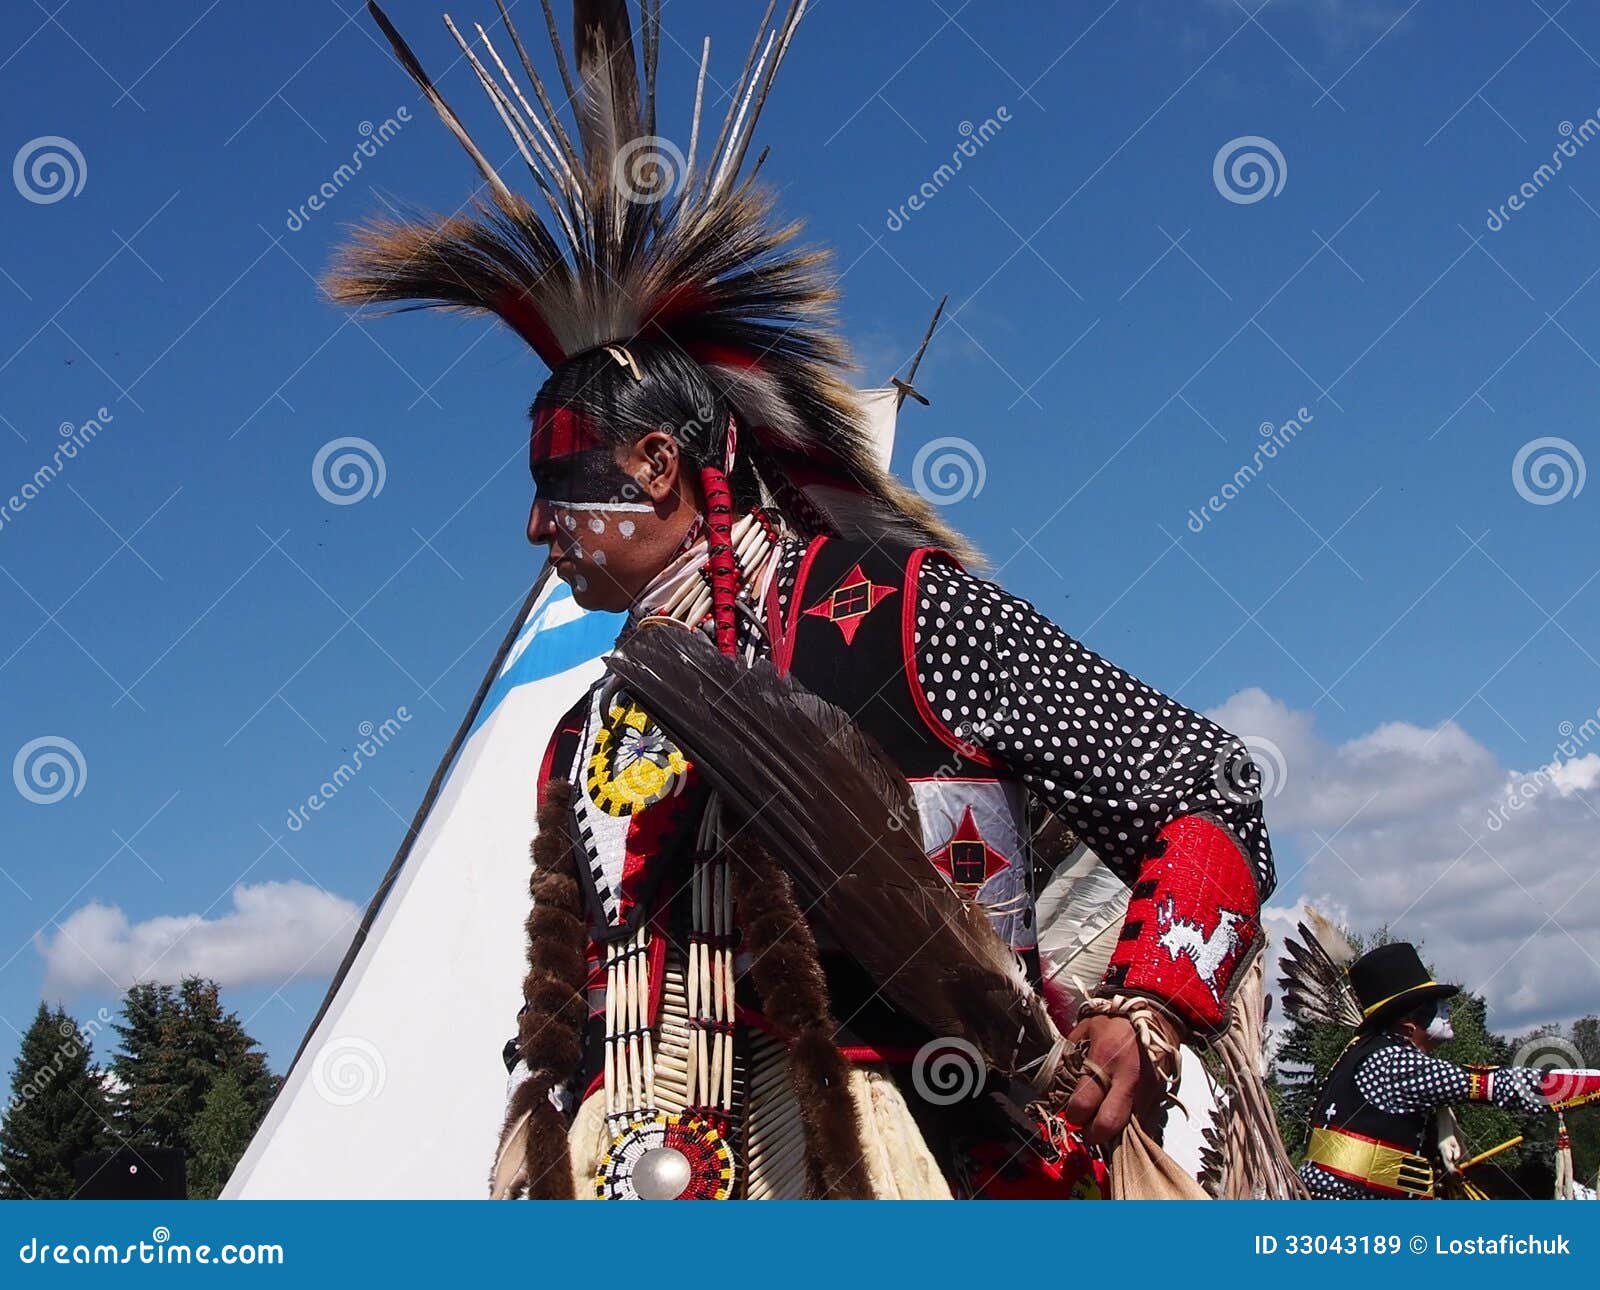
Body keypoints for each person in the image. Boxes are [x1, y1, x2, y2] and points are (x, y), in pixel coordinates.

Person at [330, 0, 1280, 1199]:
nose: (534, 529)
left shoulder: (902, 617)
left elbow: (1206, 785)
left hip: (934, 1162)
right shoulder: (581, 738)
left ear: (655, 468)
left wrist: (1149, 1011)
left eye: (555, 490)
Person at [1299, 942, 1593, 1199]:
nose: (1447, 1009)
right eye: (1431, 1005)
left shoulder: (1366, 1051)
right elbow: (1503, 1085)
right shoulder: (1395, 1063)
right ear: (1406, 1024)